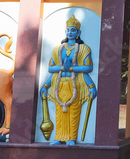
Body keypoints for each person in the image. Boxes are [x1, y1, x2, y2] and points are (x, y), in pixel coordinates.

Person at [40, 15, 97, 145]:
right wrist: (45, 85)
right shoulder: (57, 49)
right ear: (65, 32)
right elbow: (51, 68)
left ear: (78, 33)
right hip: (59, 84)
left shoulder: (83, 48)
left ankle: (71, 138)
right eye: (68, 30)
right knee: (59, 113)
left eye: (73, 30)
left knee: (74, 112)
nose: (70, 32)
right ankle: (59, 137)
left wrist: (91, 86)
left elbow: (88, 67)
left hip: (75, 84)